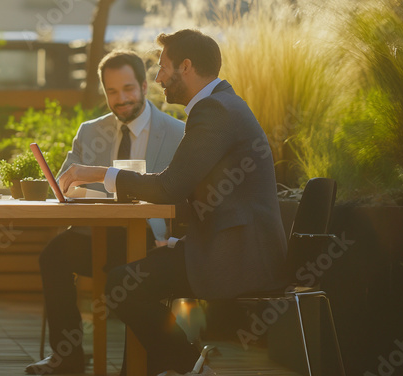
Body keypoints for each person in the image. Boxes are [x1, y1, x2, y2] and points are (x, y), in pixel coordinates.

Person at [58, 30, 287, 376]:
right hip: (232, 247)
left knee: (123, 284)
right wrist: (179, 241)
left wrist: (101, 173)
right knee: (129, 277)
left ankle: (188, 368)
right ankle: (180, 366)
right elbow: (206, 196)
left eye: (164, 68)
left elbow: (169, 187)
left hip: (237, 257)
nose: (159, 77)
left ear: (187, 66)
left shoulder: (214, 110)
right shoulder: (221, 105)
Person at [25, 50, 186, 375]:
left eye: (128, 89)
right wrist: (86, 187)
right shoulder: (90, 131)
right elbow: (65, 186)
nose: (121, 99)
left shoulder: (177, 133)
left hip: (149, 239)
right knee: (53, 256)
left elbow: (183, 195)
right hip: (96, 233)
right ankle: (66, 356)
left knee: (127, 274)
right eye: (112, 92)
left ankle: (137, 366)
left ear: (143, 85)